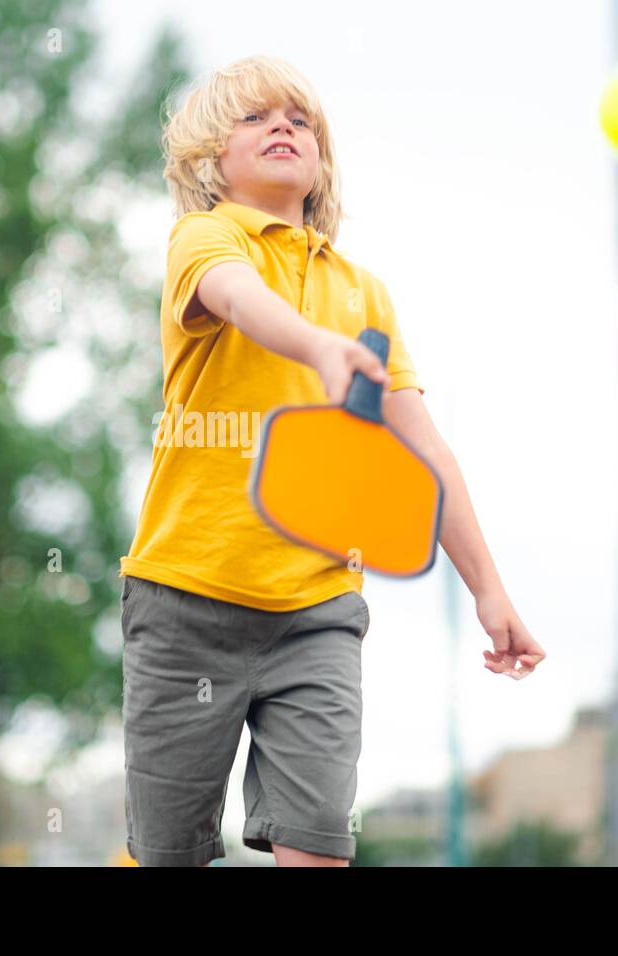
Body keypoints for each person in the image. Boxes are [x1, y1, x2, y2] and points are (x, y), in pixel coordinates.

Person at [118, 54, 545, 868]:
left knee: (318, 849)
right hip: (185, 603)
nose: (283, 125)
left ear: (320, 159)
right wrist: (320, 348)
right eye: (255, 117)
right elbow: (240, 299)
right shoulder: (204, 238)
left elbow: (426, 451)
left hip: (317, 613)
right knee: (168, 855)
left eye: (298, 118)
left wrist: (492, 591)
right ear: (213, 162)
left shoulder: (366, 293)